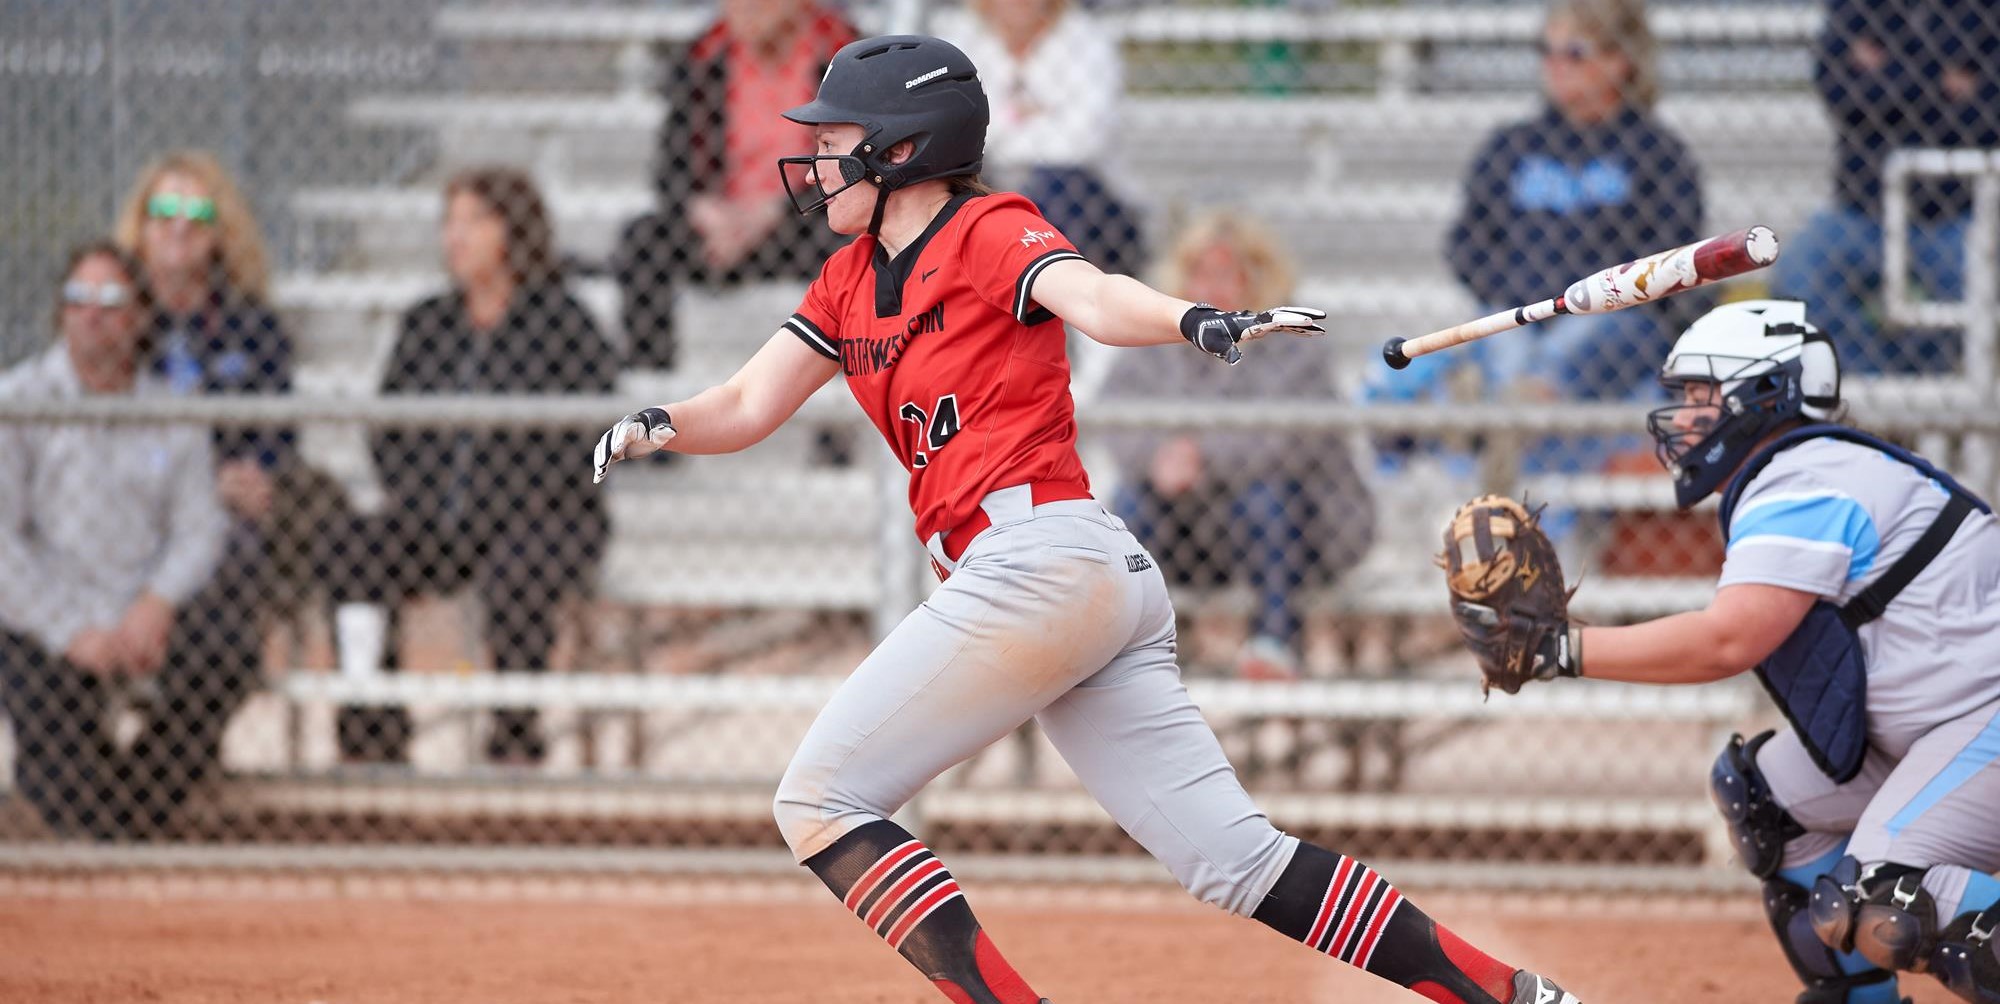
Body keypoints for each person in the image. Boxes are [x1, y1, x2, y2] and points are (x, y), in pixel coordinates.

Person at [593, 34, 1586, 1004]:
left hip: (1038, 563)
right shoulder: (848, 277)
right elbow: (746, 403)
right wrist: (661, 422)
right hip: (1069, 576)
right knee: (1234, 860)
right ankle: (1515, 995)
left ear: (901, 149)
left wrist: (1190, 318)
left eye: (833, 139)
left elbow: (1094, 297)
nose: (813, 162)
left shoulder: (985, 228)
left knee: (819, 797)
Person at [1473, 299, 2000, 1003]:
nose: (1684, 416)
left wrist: (1558, 650)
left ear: (1766, 394)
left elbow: (1729, 638)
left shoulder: (1804, 478)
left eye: (1702, 396)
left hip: (1982, 720)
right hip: (1944, 727)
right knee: (1767, 800)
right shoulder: (1800, 471)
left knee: (1886, 896)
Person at [327, 167, 618, 766]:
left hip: (543, 518)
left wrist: (514, 495)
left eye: (474, 221)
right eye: (449, 222)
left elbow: (592, 436)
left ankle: (514, 733)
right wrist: (417, 493)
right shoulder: (427, 322)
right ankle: (370, 724)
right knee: (354, 545)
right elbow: (389, 430)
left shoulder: (563, 321)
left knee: (520, 570)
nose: (454, 237)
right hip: (439, 519)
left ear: (515, 231)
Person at [1385, 0, 1701, 474]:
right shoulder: (1512, 146)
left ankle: (1498, 411)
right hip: (1523, 309)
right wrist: (1521, 293)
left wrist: (1584, 295)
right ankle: (1515, 407)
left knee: (1585, 333)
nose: (1554, 65)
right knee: (1506, 327)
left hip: (1612, 316)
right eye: (1545, 50)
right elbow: (1466, 244)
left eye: (1574, 52)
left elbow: (1669, 255)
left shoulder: (1658, 153)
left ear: (1619, 61)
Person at [0, 242, 233, 840]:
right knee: (60, 767)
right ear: (60, 311)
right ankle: (112, 827)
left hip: (141, 608)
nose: (93, 313)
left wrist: (158, 601)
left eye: (111, 299)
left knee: (226, 650)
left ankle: (127, 816)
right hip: (47, 614)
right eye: (78, 297)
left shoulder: (173, 411)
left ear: (140, 317)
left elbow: (200, 528)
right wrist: (69, 630)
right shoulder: (17, 402)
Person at [1100, 211, 1374, 680]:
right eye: (1199, 273)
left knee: (1264, 497)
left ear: (1257, 279)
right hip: (1196, 529)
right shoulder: (1161, 336)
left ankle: (1275, 641)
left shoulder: (1292, 340)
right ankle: (1129, 646)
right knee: (1132, 501)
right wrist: (1159, 458)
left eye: (1225, 274)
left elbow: (1286, 441)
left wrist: (1200, 456)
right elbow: (1117, 415)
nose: (1210, 287)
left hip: (1295, 534)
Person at [115, 149, 298, 718]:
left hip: (226, 512)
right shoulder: (110, 321)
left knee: (228, 561)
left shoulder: (253, 325)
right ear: (141, 228)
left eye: (198, 213)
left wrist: (257, 477)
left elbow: (279, 435)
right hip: (123, 504)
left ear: (220, 232)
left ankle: (176, 734)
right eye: (164, 211)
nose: (180, 225)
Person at [611, 0, 856, 368]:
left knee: (855, 245)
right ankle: (651, 384)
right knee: (642, 241)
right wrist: (704, 211)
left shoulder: (842, 54)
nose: (744, 8)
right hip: (720, 229)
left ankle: (849, 379)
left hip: (807, 220)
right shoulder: (704, 57)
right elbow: (671, 167)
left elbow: (854, 161)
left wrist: (775, 212)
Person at [1769, 0, 1999, 375]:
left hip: (1956, 214)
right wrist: (1939, 78)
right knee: (1799, 273)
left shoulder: (1983, 10)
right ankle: (1871, 386)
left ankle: (1924, 390)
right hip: (1861, 210)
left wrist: (1890, 73)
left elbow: (1988, 118)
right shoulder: (1860, 6)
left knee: (1972, 289)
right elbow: (1840, 93)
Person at [944, 0, 1146, 275]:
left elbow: (1083, 142)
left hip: (1085, 196)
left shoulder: (1085, 40)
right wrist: (1038, 115)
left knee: (1054, 185)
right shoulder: (962, 37)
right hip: (989, 176)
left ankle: (1049, 283)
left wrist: (999, 122)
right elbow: (954, 128)